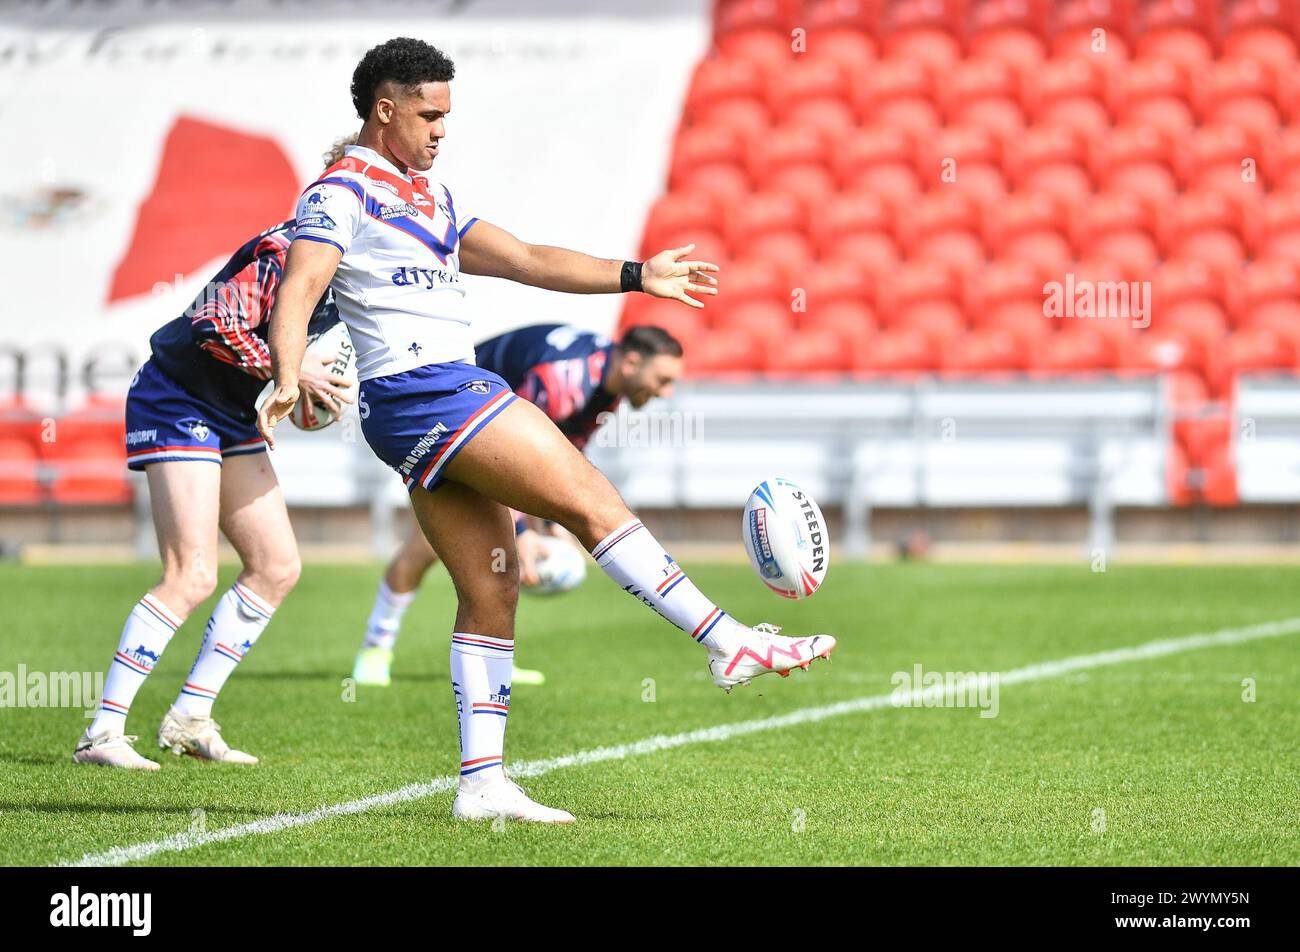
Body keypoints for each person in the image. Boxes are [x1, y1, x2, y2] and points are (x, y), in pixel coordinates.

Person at [257, 37, 837, 823]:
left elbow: (529, 258)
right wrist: (287, 375)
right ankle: (726, 639)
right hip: (430, 391)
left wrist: (637, 276)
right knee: (590, 499)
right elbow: (301, 287)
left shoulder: (434, 198)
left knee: (492, 588)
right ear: (384, 110)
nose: (440, 131)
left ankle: (481, 785)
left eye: (447, 116)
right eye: (428, 115)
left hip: (419, 411)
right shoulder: (338, 193)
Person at [73, 212, 352, 770]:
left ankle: (188, 719)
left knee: (276, 567)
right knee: (191, 572)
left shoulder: (350, 273)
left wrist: (298, 385)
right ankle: (101, 734)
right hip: (178, 397)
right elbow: (212, 323)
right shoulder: (289, 251)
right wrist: (289, 375)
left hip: (228, 409)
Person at [352, 322, 685, 688]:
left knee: (500, 562)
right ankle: (375, 648)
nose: (666, 393)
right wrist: (525, 530)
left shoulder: (605, 387)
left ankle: (494, 663)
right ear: (632, 361)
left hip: (481, 431)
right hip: (444, 425)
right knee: (426, 548)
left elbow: (563, 452)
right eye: (663, 379)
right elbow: (510, 459)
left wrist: (559, 523)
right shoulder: (563, 380)